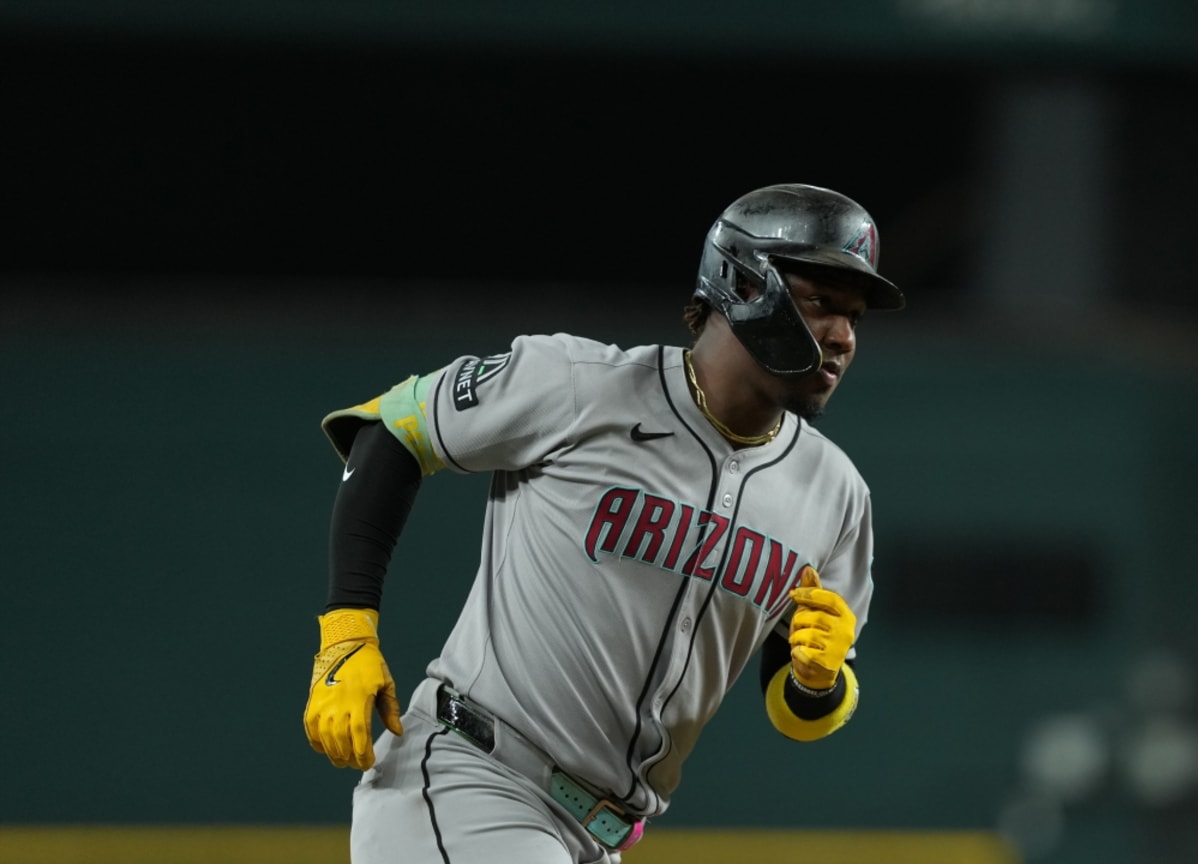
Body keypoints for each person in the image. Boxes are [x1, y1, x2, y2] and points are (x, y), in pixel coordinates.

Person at [302, 183, 906, 863]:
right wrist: (346, 631)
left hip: (595, 836)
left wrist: (817, 683)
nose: (844, 337)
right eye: (822, 302)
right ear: (743, 284)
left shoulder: (836, 494)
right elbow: (392, 428)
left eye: (855, 316)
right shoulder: (579, 386)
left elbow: (796, 708)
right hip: (473, 781)